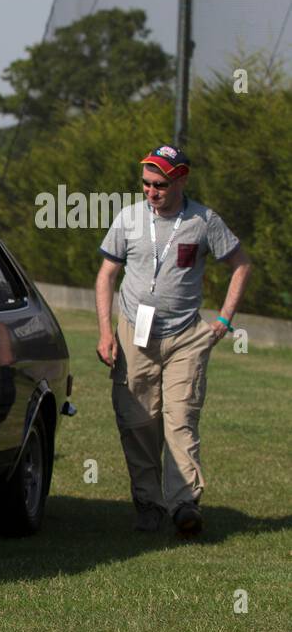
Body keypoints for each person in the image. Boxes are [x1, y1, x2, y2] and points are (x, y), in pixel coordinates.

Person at [95, 145, 253, 537]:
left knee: (180, 420)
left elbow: (241, 265)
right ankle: (149, 505)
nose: (151, 191)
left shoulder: (204, 221)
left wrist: (222, 321)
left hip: (186, 337)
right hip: (135, 334)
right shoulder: (129, 218)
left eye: (160, 184)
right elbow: (106, 275)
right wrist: (105, 331)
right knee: (138, 422)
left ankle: (184, 504)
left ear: (181, 179)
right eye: (146, 183)